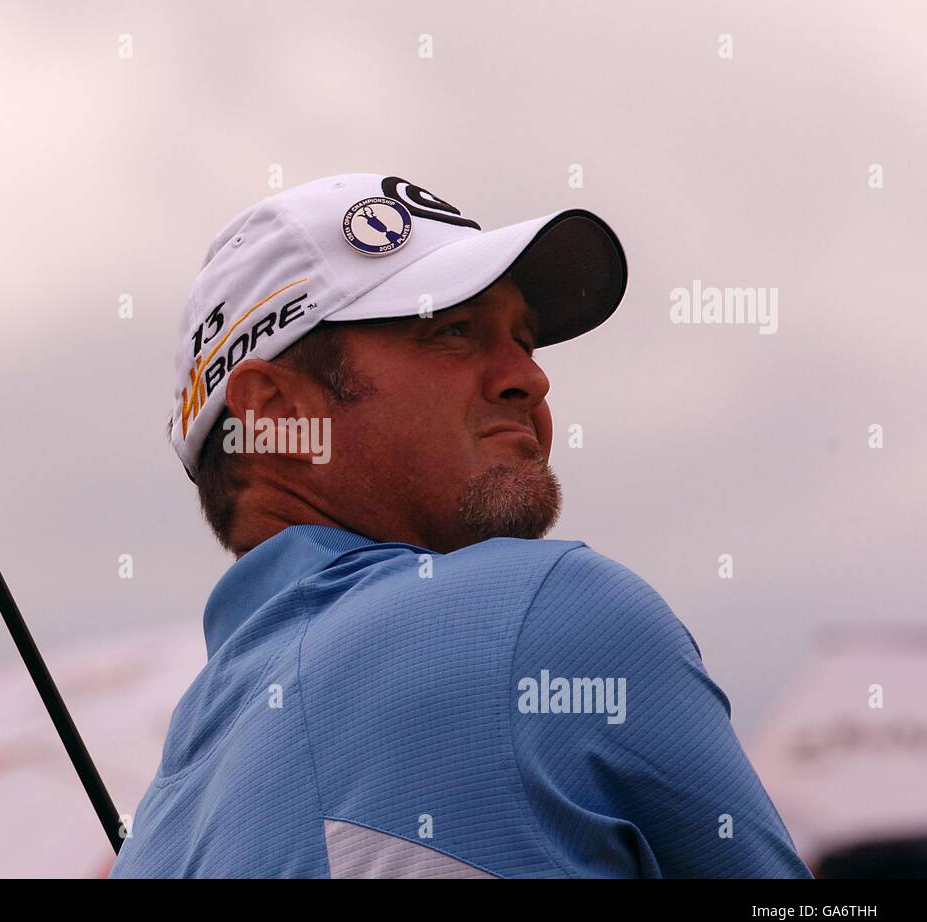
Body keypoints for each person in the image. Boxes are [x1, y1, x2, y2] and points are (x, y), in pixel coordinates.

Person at [108, 173, 811, 878]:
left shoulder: (153, 838)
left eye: (525, 340)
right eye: (452, 331)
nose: (528, 379)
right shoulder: (546, 610)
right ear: (281, 413)